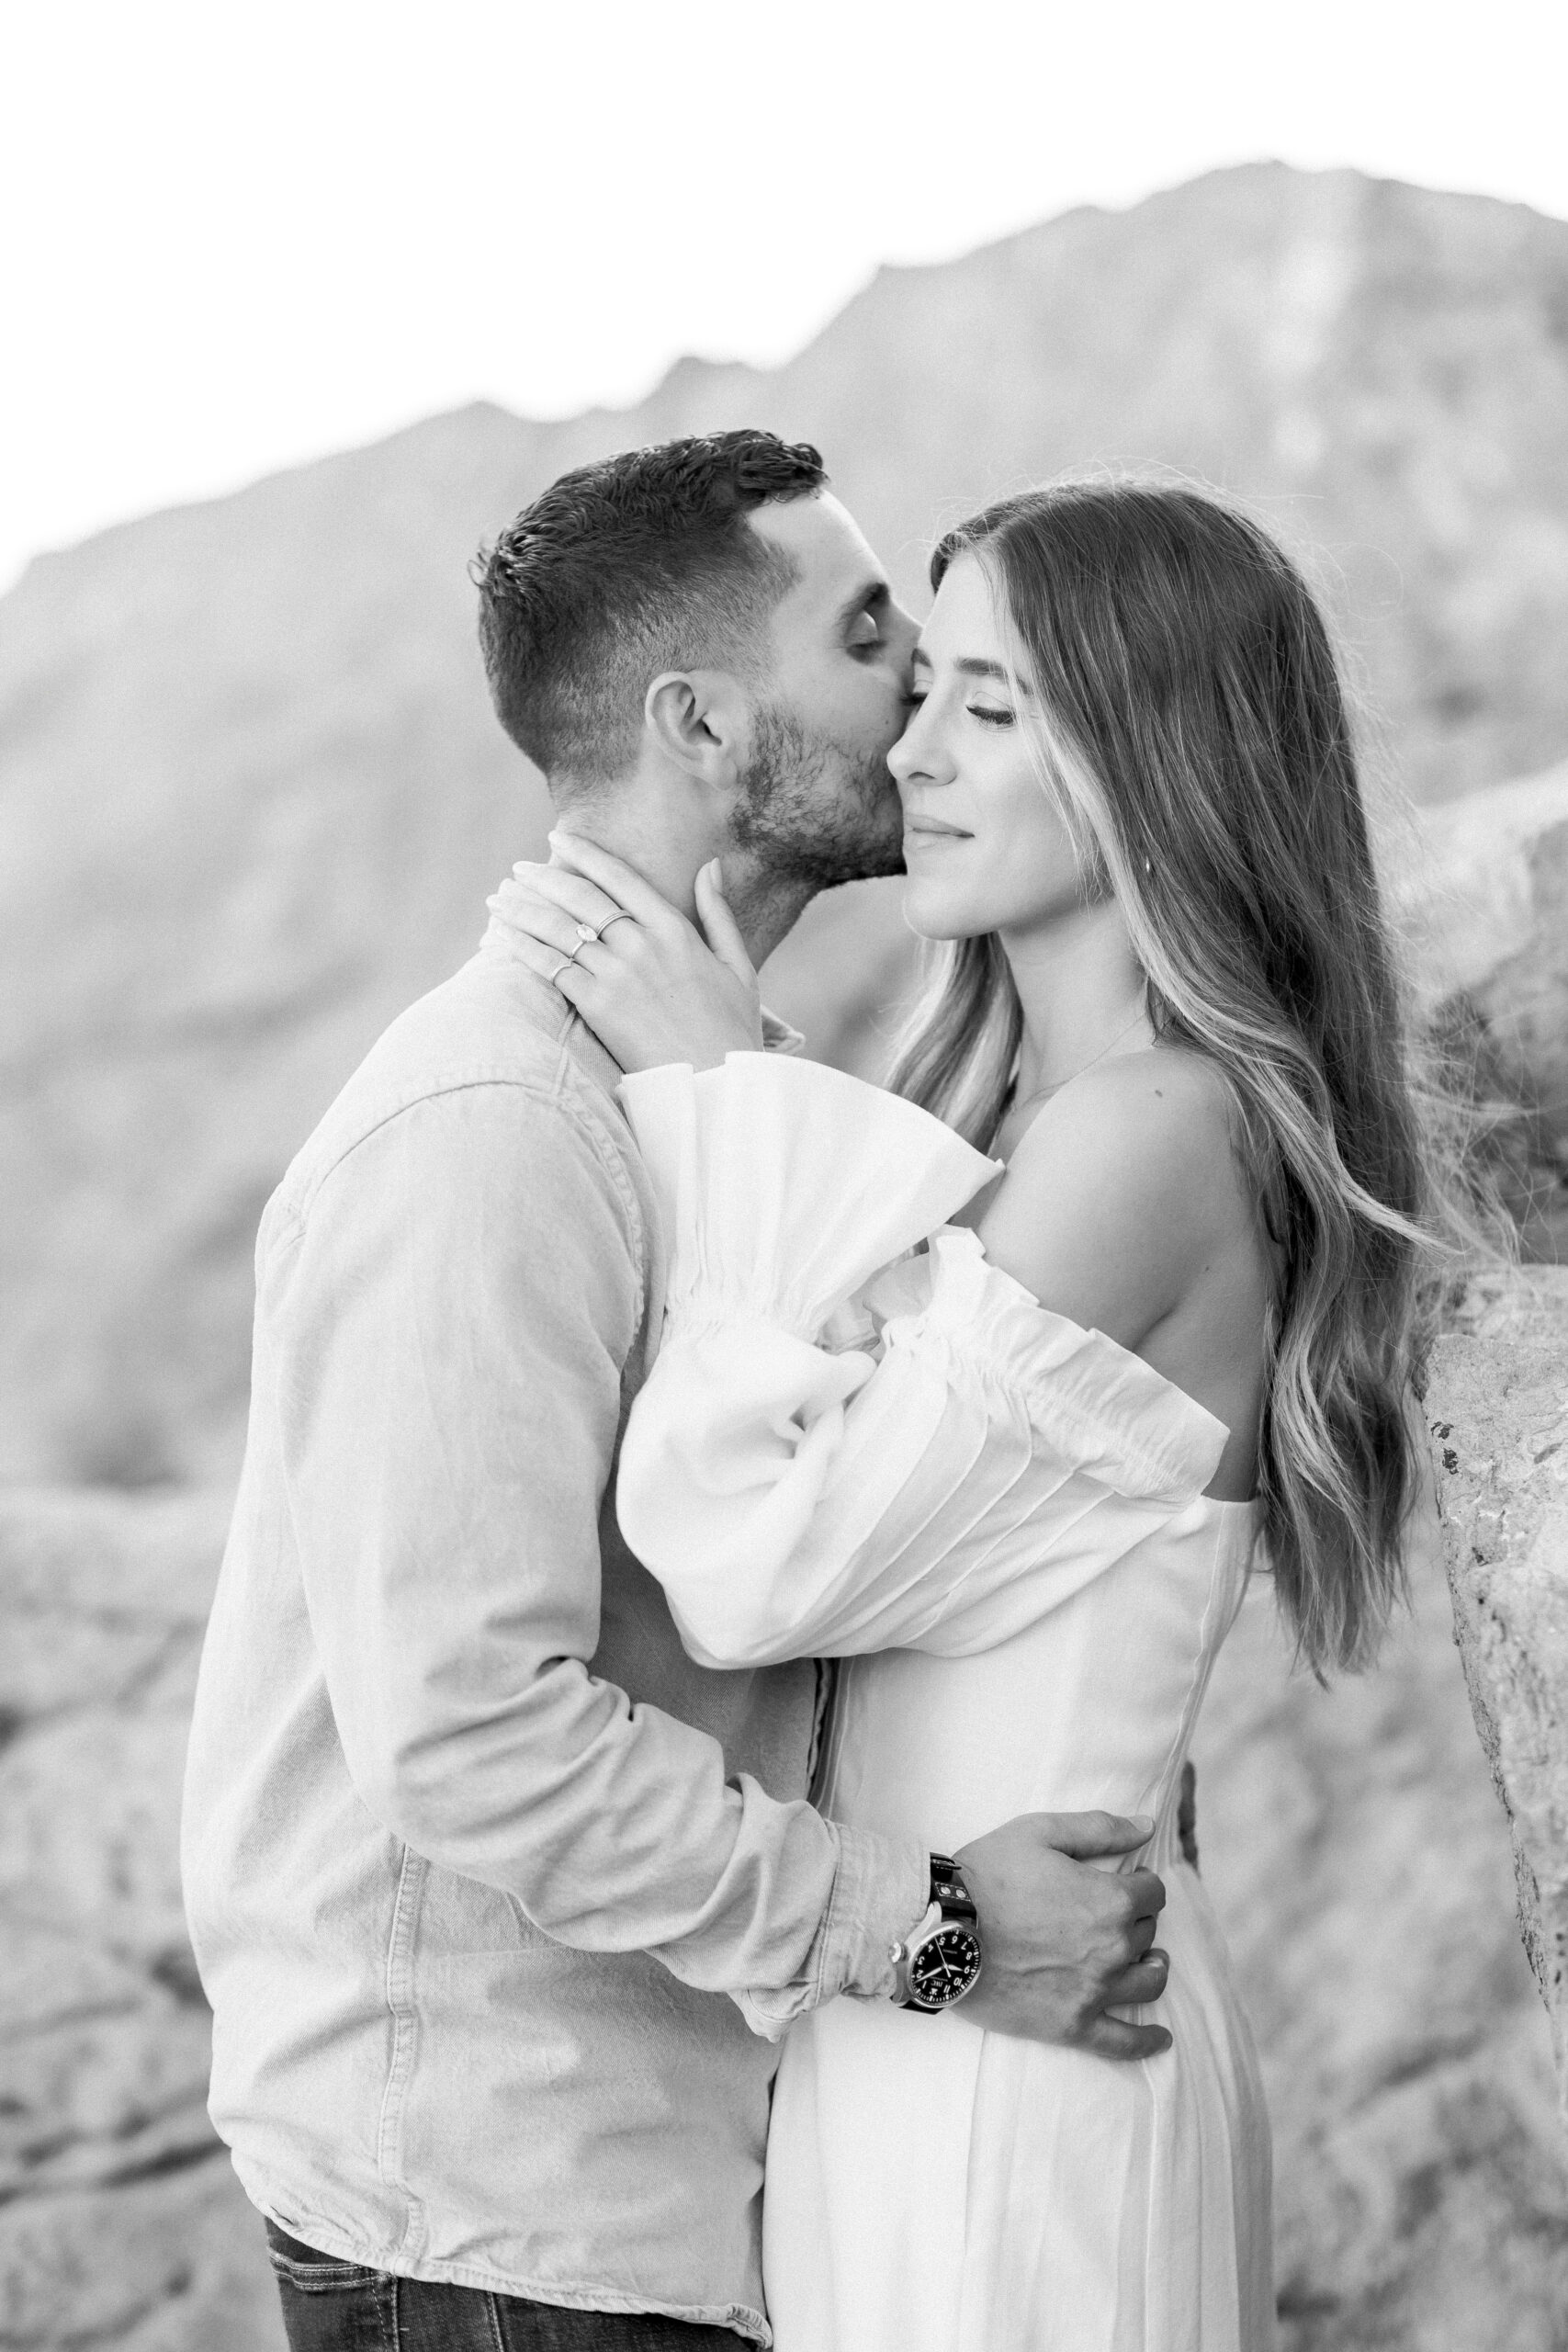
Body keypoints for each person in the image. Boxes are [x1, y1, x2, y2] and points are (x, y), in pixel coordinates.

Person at [180, 433, 1180, 2352]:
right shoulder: (498, 1125)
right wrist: (941, 1927)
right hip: (499, 2225)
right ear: (705, 722)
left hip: (661, 2187)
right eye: (869, 629)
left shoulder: (699, 1103)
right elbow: (470, 1729)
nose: (918, 687)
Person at [489, 478, 1438, 2351]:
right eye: (919, 688)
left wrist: (709, 1099)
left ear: (1148, 758)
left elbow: (760, 1571)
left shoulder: (1148, 1133)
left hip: (1017, 2082)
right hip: (947, 2016)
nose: (908, 748)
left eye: (986, 708)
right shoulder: (1023, 1125)